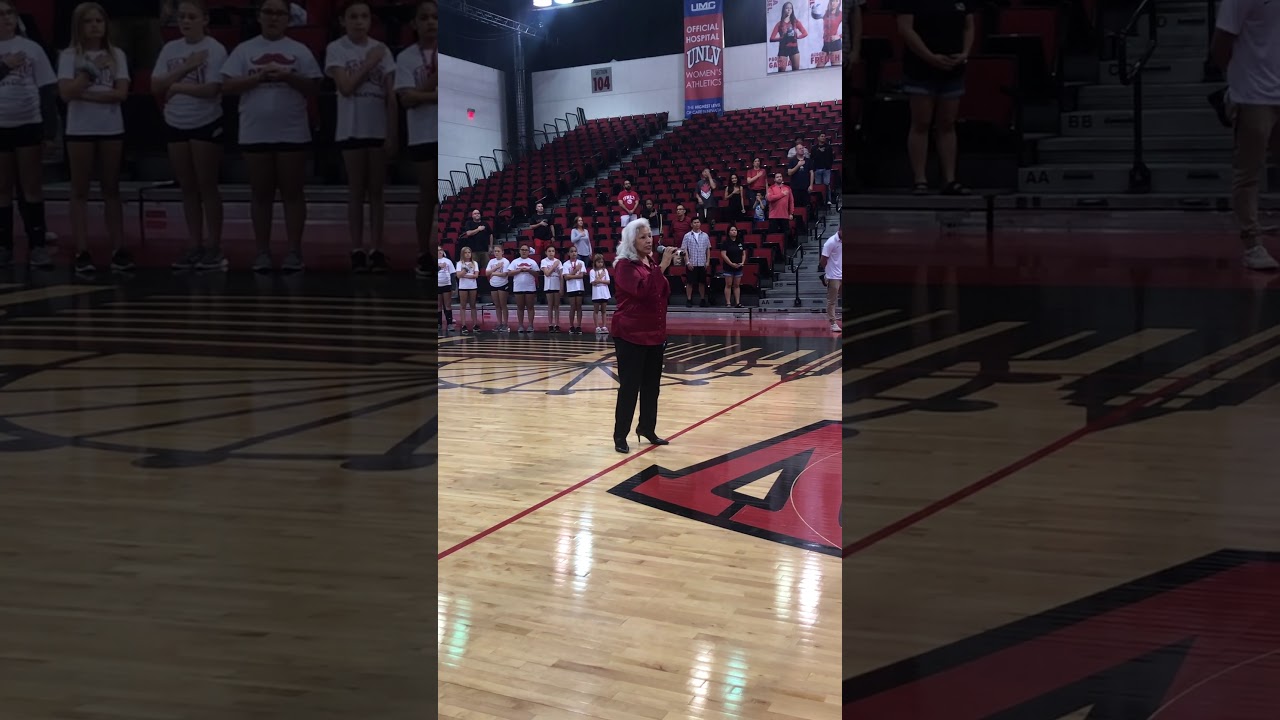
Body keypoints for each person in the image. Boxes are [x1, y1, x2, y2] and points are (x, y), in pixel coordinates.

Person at [221, 0, 322, 273]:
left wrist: (288, 77)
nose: (274, 18)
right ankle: (262, 251)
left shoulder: (299, 50)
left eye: (280, 13)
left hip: (292, 131)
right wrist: (259, 78)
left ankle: (294, 251)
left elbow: (314, 87)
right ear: (259, 16)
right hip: (255, 131)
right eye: (268, 12)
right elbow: (227, 85)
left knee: (293, 193)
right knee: (260, 194)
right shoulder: (245, 50)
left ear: (288, 18)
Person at [152, 0, 227, 272]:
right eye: (182, 16)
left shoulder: (215, 48)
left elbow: (212, 89)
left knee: (207, 185)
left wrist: (176, 87)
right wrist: (185, 69)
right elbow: (156, 85)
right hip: (175, 121)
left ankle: (214, 245)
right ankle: (194, 243)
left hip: (204, 121)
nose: (185, 21)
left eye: (192, 17)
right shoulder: (170, 48)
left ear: (204, 20)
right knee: (187, 187)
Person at [59, 1, 132, 275]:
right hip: (79, 129)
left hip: (110, 127)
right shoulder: (69, 56)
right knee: (80, 189)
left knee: (111, 188)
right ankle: (82, 250)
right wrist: (90, 72)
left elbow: (120, 93)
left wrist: (84, 94)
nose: (94, 26)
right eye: (88, 21)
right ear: (79, 26)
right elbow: (66, 93)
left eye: (98, 21)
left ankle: (118, 248)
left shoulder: (117, 54)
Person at [327, 0, 397, 273]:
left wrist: (392, 133)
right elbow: (345, 87)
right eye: (353, 16)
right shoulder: (337, 48)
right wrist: (369, 63)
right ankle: (357, 248)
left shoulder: (382, 49)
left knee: (377, 192)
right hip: (351, 128)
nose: (359, 21)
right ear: (343, 21)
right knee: (356, 191)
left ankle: (377, 248)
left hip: (377, 129)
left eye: (364, 16)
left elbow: (390, 96)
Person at [1211, 0, 1280, 270]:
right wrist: (1239, 79)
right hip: (1253, 95)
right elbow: (1220, 45)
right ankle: (1252, 244)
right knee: (1248, 171)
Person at [611, 218, 676, 454]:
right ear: (631, 241)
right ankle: (620, 435)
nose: (649, 241)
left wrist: (661, 269)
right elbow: (641, 291)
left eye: (650, 236)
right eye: (643, 237)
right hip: (630, 334)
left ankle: (647, 428)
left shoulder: (650, 262)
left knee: (652, 387)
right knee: (629, 388)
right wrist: (663, 267)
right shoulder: (624, 266)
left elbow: (662, 291)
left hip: (654, 333)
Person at [0, 0, 56, 271]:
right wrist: (5, 66)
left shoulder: (32, 48)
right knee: (2, 188)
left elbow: (47, 90)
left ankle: (38, 245)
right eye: (0, 14)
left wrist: (50, 131)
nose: (6, 18)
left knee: (31, 187)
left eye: (9, 13)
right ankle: (4, 246)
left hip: (28, 123)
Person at [897, 0, 973, 196]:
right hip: (920, 69)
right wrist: (930, 57)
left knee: (947, 124)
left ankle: (950, 179)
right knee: (921, 123)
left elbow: (968, 26)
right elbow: (905, 28)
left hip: (953, 69)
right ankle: (920, 179)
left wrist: (965, 53)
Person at [397, 0, 437, 279]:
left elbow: (415, 96)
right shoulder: (406, 57)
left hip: (444, 132)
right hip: (421, 134)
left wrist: (422, 95)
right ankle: (424, 252)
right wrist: (434, 89)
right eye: (424, 17)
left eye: (435, 17)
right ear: (414, 23)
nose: (430, 22)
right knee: (427, 195)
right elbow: (406, 100)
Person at [680, 216, 711, 307]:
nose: (697, 224)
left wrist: (707, 261)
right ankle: (689, 299)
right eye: (695, 222)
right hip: (691, 262)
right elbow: (684, 250)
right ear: (691, 224)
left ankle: (702, 299)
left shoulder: (705, 235)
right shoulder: (687, 236)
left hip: (702, 262)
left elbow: (708, 249)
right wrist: (687, 262)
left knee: (702, 282)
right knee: (689, 282)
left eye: (698, 222)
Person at [769, 1, 806, 72]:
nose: (789, 10)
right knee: (781, 71)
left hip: (794, 48)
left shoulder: (795, 22)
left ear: (792, 10)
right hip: (783, 49)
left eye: (790, 8)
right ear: (784, 10)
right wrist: (781, 38)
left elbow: (805, 33)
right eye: (787, 8)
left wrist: (798, 37)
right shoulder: (779, 24)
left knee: (796, 71)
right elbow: (771, 39)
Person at [819, 228, 841, 332]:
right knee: (832, 300)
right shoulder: (831, 242)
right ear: (840, 230)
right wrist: (828, 273)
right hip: (833, 276)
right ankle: (833, 323)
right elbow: (823, 260)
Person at [561, 246, 586, 334]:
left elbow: (581, 276)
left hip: (579, 287)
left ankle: (578, 325)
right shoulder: (566, 264)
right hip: (571, 288)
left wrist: (571, 275)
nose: (574, 253)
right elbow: (566, 277)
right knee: (572, 306)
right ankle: (571, 326)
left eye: (575, 251)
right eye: (571, 251)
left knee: (579, 306)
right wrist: (576, 270)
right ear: (568, 253)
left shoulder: (581, 262)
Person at [720, 224, 746, 308]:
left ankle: (737, 302)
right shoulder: (725, 243)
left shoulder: (740, 242)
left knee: (737, 285)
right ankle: (728, 302)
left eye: (735, 230)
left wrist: (742, 262)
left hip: (738, 266)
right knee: (728, 284)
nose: (734, 232)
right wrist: (731, 263)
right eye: (732, 230)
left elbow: (743, 253)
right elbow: (723, 254)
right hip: (728, 267)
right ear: (728, 232)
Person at [455, 245, 479, 333]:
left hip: (473, 286)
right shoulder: (459, 263)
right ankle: (463, 325)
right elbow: (458, 276)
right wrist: (466, 270)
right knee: (463, 306)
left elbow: (476, 275)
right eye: (466, 253)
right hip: (463, 287)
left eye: (469, 252)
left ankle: (475, 324)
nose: (468, 254)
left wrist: (464, 275)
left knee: (473, 305)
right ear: (463, 254)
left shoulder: (475, 263)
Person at [486, 245, 510, 332]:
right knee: (497, 305)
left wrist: (493, 273)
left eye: (498, 251)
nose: (496, 253)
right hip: (493, 284)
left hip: (502, 284)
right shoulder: (491, 261)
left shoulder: (505, 261)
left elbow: (504, 274)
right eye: (495, 251)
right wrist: (496, 267)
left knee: (503, 305)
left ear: (502, 252)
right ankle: (499, 323)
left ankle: (505, 324)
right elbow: (487, 273)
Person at [540, 244, 562, 332]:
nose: (551, 253)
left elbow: (561, 275)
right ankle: (550, 324)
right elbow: (547, 273)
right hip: (548, 285)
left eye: (553, 251)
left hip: (556, 284)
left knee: (556, 305)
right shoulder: (544, 261)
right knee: (550, 305)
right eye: (549, 251)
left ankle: (557, 324)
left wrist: (561, 287)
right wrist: (554, 266)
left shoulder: (558, 261)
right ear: (546, 252)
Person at [766, 171, 794, 237]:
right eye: (777, 177)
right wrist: (782, 194)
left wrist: (791, 213)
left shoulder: (788, 188)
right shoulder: (771, 188)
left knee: (786, 235)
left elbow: (791, 201)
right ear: (774, 179)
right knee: (773, 235)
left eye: (780, 177)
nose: (779, 178)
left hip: (784, 216)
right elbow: (770, 198)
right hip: (773, 216)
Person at [590, 253, 610, 334]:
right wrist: (600, 277)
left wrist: (599, 280)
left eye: (601, 262)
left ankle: (604, 326)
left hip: (604, 292)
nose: (600, 264)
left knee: (604, 310)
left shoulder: (605, 270)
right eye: (598, 262)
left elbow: (608, 281)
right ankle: (597, 327)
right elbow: (593, 283)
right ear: (595, 262)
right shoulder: (592, 271)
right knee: (596, 310)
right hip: (596, 293)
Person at [436, 246, 454, 334]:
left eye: (441, 250)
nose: (439, 252)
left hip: (446, 285)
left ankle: (449, 323)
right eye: (437, 250)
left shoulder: (448, 261)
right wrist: (439, 267)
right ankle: (438, 323)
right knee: (438, 305)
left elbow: (452, 274)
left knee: (448, 305)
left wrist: (453, 287)